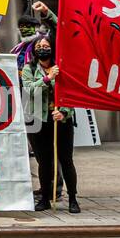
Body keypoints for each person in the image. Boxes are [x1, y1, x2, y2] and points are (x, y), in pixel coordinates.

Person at [21, 36, 80, 214]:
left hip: (60, 120)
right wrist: (47, 78)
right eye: (39, 46)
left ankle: (73, 199)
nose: (42, 48)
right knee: (44, 162)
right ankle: (45, 198)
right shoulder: (28, 69)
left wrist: (64, 112)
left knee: (66, 160)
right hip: (38, 121)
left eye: (46, 45)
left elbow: (72, 92)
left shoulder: (62, 67)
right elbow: (29, 89)